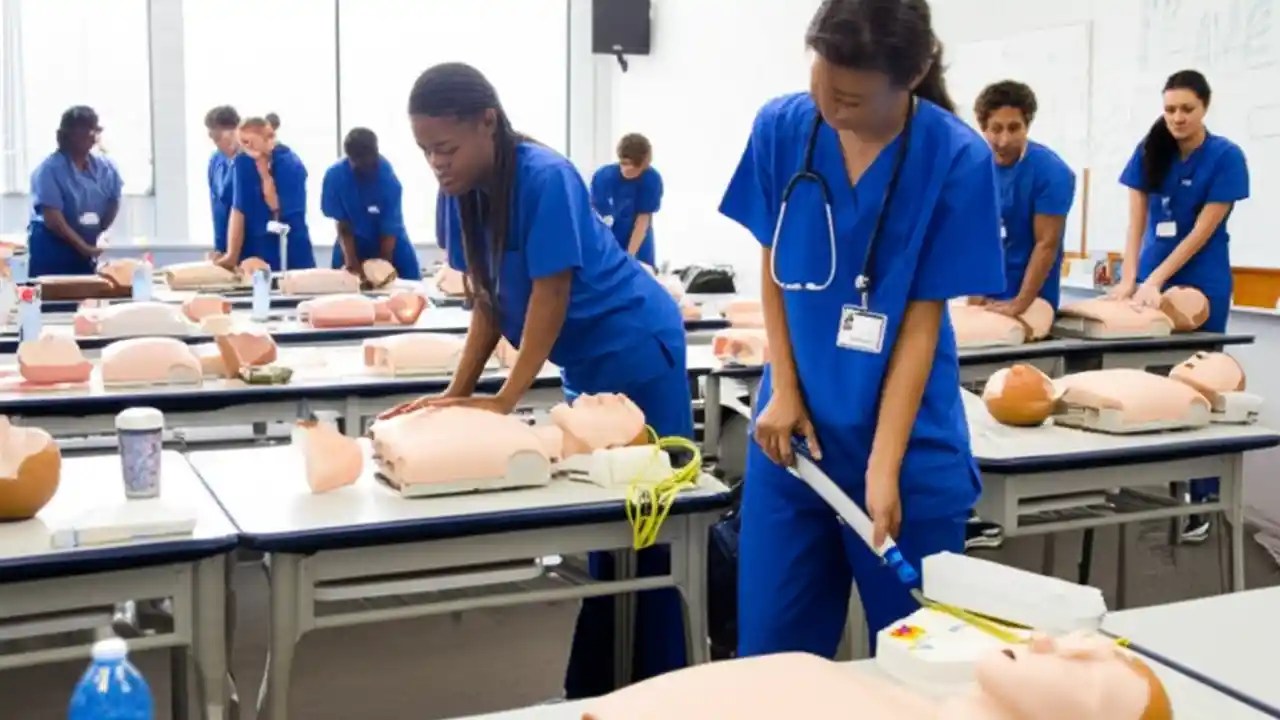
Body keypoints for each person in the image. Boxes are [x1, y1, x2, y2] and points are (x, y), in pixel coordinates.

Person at [391, 62, 692, 697]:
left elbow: (548, 298)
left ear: (487, 123)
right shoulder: (460, 193)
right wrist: (455, 396)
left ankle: (662, 692)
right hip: (584, 362)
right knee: (608, 532)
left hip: (636, 345)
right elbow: (488, 301)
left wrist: (504, 400)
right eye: (425, 151)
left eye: (446, 148)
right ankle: (600, 689)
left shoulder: (546, 177)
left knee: (653, 528)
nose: (437, 164)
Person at [718, 0, 1005, 659]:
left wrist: (883, 464)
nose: (828, 105)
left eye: (849, 97)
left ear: (913, 76)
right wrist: (782, 389)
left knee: (915, 663)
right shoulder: (782, 127)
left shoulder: (955, 157)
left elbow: (921, 323)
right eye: (820, 80)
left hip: (906, 446)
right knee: (774, 659)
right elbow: (775, 264)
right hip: (792, 440)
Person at [1111, 69, 1249, 542]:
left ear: (1205, 107)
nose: (1177, 117)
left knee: (1202, 383)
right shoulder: (1150, 150)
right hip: (1151, 277)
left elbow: (1200, 233)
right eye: (1170, 109)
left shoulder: (1226, 157)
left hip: (1201, 278)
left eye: (1187, 109)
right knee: (1150, 382)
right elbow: (1136, 224)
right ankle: (1136, 481)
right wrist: (1129, 279)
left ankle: (1202, 500)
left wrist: (1155, 280)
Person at [971, 80, 1075, 312]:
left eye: (1014, 128)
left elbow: (1046, 244)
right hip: (987, 289)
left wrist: (1019, 303)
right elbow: (976, 240)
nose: (1004, 140)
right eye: (996, 129)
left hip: (1033, 297)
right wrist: (975, 299)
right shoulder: (975, 169)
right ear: (983, 129)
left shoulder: (1051, 172)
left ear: (1027, 126)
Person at [27, 106, 123, 277]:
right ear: (66, 134)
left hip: (86, 254)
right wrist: (83, 247)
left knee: (88, 292)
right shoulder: (49, 170)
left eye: (93, 129)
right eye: (84, 129)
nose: (90, 135)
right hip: (52, 255)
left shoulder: (106, 168)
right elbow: (54, 221)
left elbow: (113, 201)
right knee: (57, 292)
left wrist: (99, 234)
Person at [217, 113, 316, 272]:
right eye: (242, 142)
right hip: (253, 249)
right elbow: (238, 209)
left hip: (288, 247)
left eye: (248, 142)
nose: (244, 147)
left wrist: (264, 172)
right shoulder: (243, 162)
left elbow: (276, 207)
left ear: (268, 139)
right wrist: (230, 254)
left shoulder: (289, 164)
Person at [321, 128, 421, 280]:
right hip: (352, 243)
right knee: (345, 287)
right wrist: (351, 261)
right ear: (350, 158)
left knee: (401, 289)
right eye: (359, 163)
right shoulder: (336, 177)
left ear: (376, 153)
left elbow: (389, 230)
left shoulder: (388, 180)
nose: (366, 168)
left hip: (391, 246)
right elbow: (342, 223)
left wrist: (382, 271)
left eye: (369, 162)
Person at [590, 133, 664, 267]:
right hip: (608, 241)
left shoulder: (651, 179)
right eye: (624, 164)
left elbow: (642, 221)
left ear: (644, 166)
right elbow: (594, 217)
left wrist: (629, 257)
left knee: (637, 272)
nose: (628, 170)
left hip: (639, 244)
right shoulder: (603, 177)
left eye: (635, 168)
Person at [204, 105, 241, 255]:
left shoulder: (249, 162)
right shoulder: (216, 161)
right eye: (215, 138)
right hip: (223, 243)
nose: (219, 143)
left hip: (248, 247)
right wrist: (219, 248)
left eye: (220, 138)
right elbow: (216, 208)